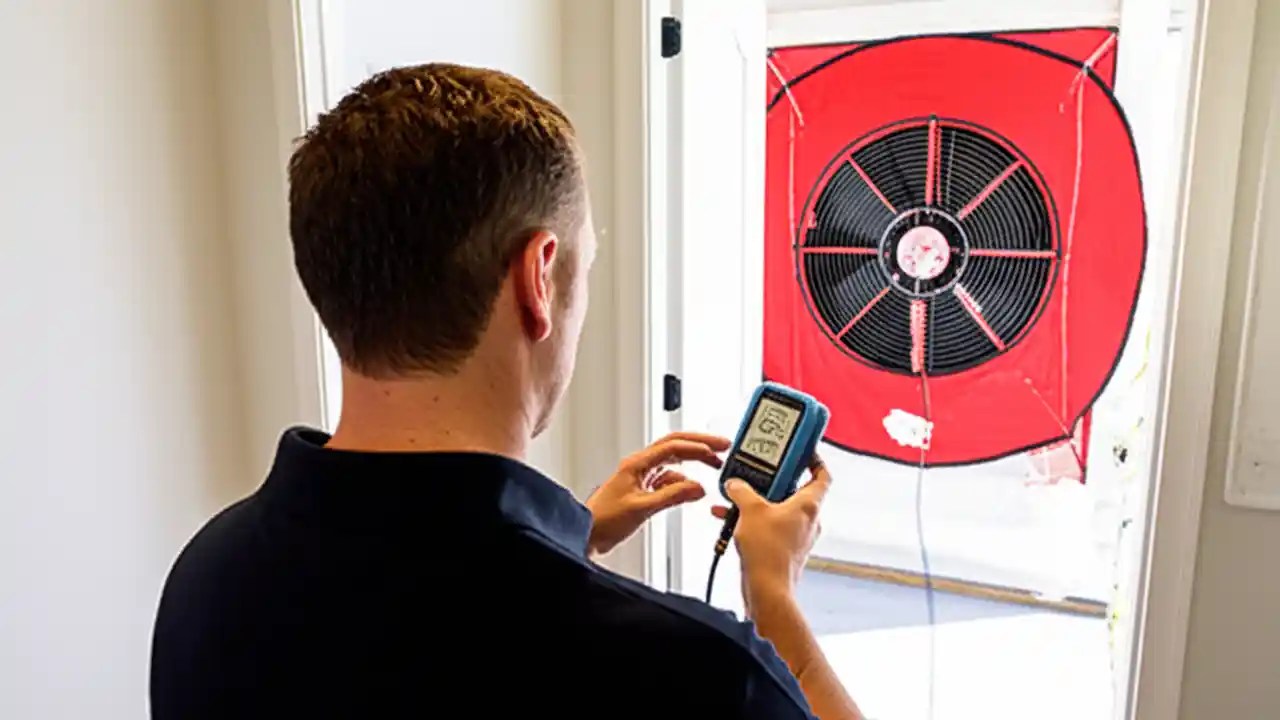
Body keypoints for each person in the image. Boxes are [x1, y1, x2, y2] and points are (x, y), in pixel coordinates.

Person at [150, 63, 862, 720]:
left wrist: (568, 538)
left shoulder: (208, 575)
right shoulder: (694, 671)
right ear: (539, 279)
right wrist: (776, 609)